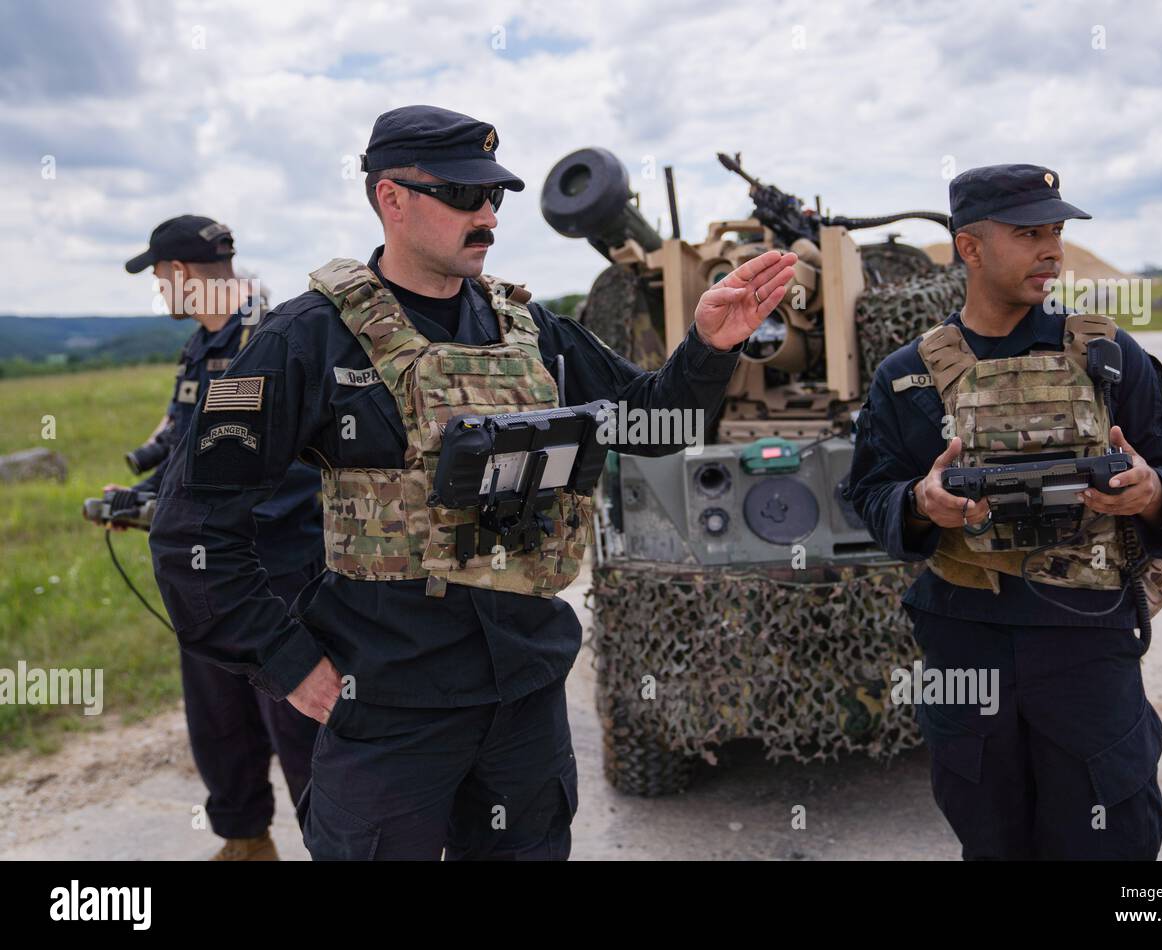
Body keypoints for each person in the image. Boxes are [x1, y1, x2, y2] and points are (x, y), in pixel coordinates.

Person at [147, 105, 796, 860]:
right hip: (390, 709)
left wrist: (708, 347)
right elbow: (191, 529)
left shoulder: (532, 332)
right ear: (391, 198)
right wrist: (287, 663)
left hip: (522, 701)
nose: (486, 213)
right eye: (462, 195)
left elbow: (653, 426)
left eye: (495, 196)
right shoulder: (300, 340)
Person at [849, 164, 1162, 860]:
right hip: (965, 637)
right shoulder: (906, 375)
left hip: (1086, 639)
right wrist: (919, 504)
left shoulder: (1108, 354)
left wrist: (1151, 493)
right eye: (1027, 233)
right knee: (988, 829)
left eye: (1056, 231)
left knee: (1111, 832)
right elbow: (869, 494)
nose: (1051, 249)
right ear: (970, 248)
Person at [119, 216, 324, 860]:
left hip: (275, 571)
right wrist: (147, 497)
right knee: (220, 721)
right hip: (208, 573)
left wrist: (182, 510)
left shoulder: (268, 338)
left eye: (158, 278)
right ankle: (245, 841)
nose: (160, 292)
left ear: (180, 273)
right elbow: (190, 447)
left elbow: (272, 470)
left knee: (297, 722)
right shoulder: (202, 343)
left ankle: (337, 846)